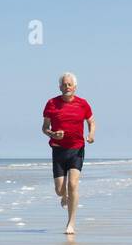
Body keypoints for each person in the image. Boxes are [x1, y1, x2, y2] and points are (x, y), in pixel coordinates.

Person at [41, 72, 95, 235]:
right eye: (64, 85)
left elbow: (91, 121)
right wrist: (52, 134)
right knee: (59, 190)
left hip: (77, 149)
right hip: (58, 150)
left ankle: (71, 224)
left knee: (73, 185)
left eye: (69, 84)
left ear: (75, 87)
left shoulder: (83, 104)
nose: (67, 87)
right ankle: (63, 196)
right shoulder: (51, 103)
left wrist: (91, 134)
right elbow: (44, 128)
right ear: (60, 87)